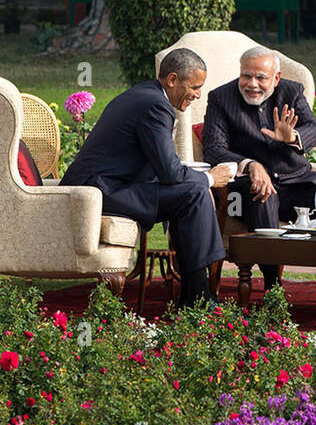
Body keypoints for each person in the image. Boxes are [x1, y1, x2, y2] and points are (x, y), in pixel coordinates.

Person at [202, 45, 316, 305]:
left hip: (297, 181)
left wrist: (293, 137)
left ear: (276, 77)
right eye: (246, 76)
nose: (252, 84)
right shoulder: (221, 98)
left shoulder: (291, 91)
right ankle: (274, 289)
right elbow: (213, 149)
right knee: (263, 194)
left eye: (261, 77)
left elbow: (315, 130)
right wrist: (250, 165)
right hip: (249, 188)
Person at [60, 48, 230, 308]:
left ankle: (197, 294)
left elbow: (163, 164)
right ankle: (198, 297)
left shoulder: (145, 95)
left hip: (109, 186)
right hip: (96, 192)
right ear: (172, 80)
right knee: (195, 193)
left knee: (191, 194)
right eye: (194, 86)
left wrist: (194, 176)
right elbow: (170, 173)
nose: (198, 94)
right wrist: (208, 178)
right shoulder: (155, 104)